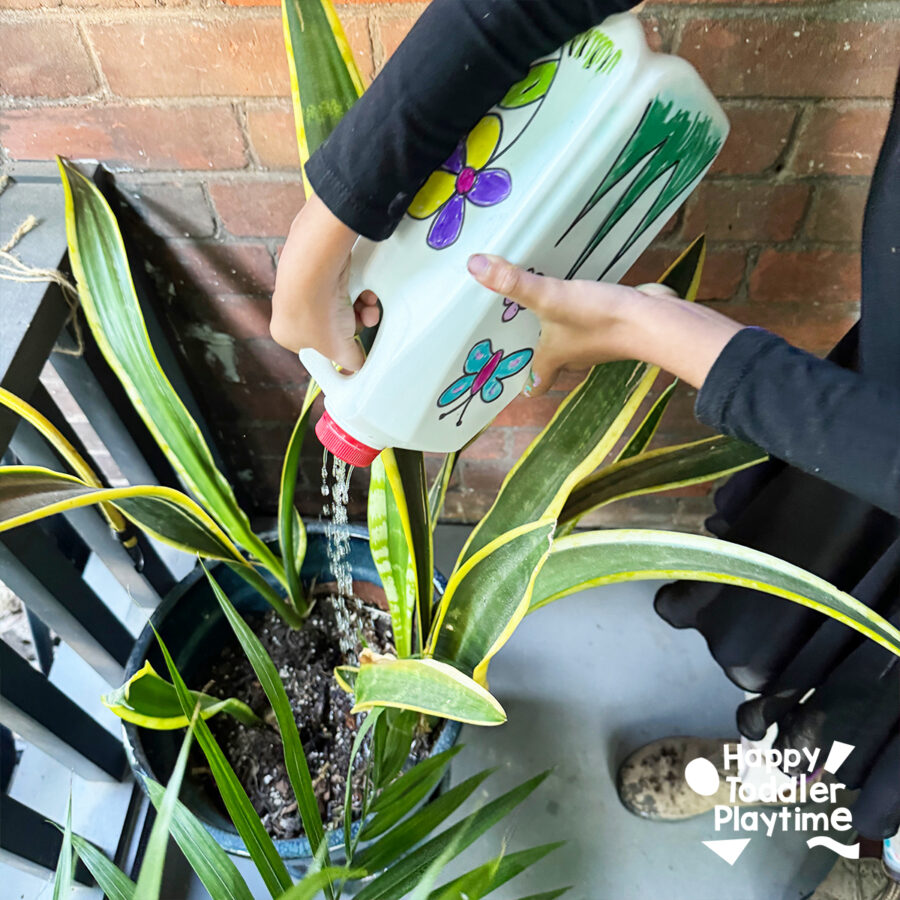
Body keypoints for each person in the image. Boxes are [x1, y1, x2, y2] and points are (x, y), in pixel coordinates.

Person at [270, 1, 900, 896]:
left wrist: (666, 334)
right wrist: (331, 218)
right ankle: (799, 768)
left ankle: (872, 844)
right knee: (861, 622)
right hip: (883, 408)